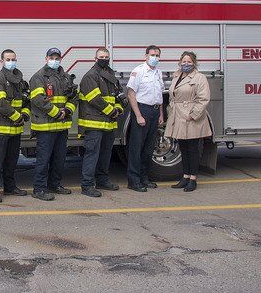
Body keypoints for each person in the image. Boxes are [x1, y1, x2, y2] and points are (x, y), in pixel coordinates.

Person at [29, 48, 78, 201]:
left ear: (60, 59)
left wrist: (68, 110)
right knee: (43, 159)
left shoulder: (66, 77)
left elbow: (74, 97)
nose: (54, 60)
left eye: (57, 58)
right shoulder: (38, 77)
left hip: (61, 126)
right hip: (45, 126)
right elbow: (38, 99)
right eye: (52, 58)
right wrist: (57, 113)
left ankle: (54, 184)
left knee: (59, 158)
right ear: (46, 59)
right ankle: (39, 189)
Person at [0, 49, 30, 203]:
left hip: (15, 129)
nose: (11, 62)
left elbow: (26, 101)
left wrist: (25, 114)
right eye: (8, 59)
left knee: (12, 160)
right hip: (1, 129)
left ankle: (10, 187)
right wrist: (18, 116)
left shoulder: (19, 81)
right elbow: (0, 103)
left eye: (13, 59)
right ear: (1, 61)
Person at [77, 48, 123, 197]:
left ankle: (102, 180)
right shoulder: (90, 76)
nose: (104, 59)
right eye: (101, 57)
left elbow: (118, 96)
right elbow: (95, 99)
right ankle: (87, 185)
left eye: (106, 57)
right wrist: (112, 111)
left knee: (105, 154)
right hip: (93, 124)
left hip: (108, 124)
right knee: (92, 155)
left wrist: (119, 108)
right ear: (95, 59)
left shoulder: (111, 75)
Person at [165, 51, 211, 192]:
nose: (186, 64)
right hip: (178, 116)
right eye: (184, 61)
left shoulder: (200, 78)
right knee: (183, 148)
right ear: (180, 62)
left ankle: (193, 179)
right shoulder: (177, 76)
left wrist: (193, 115)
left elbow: (203, 99)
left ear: (194, 63)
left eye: (189, 62)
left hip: (191, 118)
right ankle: (185, 177)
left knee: (192, 149)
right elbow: (172, 96)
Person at [126, 44, 165, 192]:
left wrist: (160, 114)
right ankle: (133, 181)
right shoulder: (138, 71)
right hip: (142, 110)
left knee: (149, 148)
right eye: (152, 55)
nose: (155, 58)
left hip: (154, 112)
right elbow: (131, 94)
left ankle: (144, 178)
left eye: (157, 55)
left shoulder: (158, 73)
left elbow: (160, 95)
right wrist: (138, 115)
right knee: (136, 148)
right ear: (146, 56)